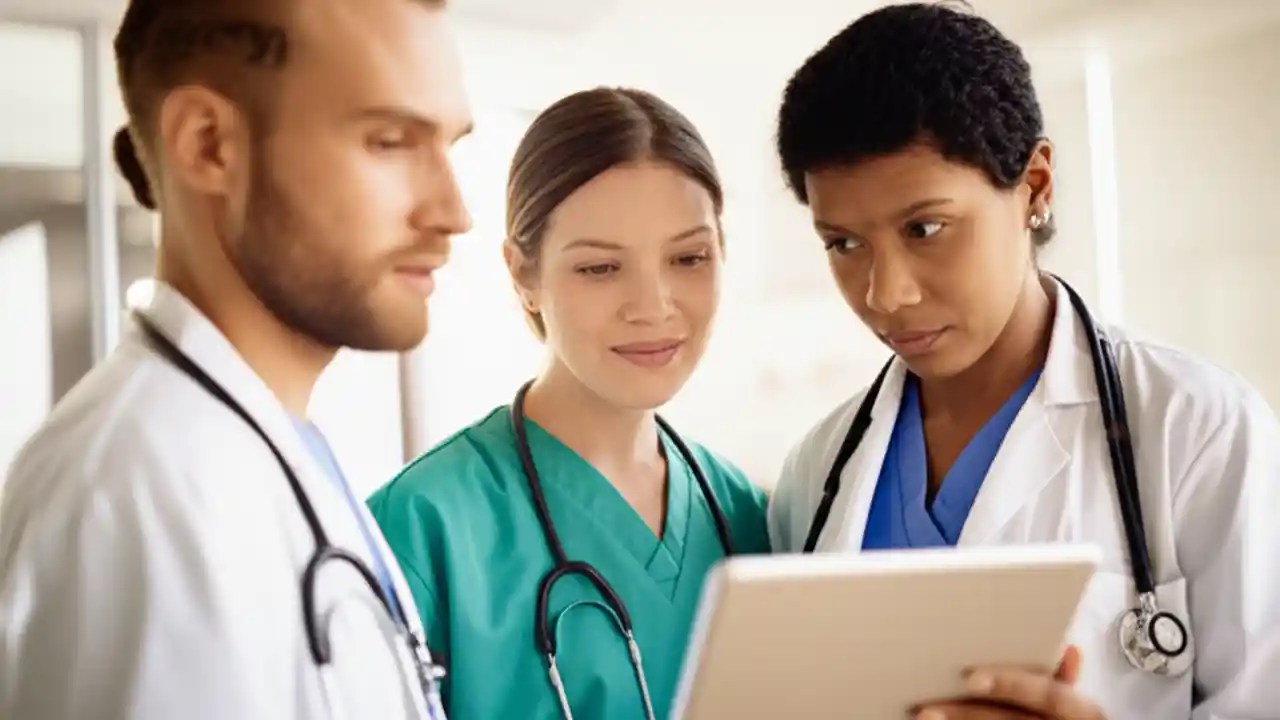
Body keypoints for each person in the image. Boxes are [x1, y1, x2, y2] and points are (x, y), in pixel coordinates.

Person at [767, 4, 1280, 720]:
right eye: (844, 244)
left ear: (1034, 186)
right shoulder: (816, 475)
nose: (887, 294)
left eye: (926, 228)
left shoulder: (1196, 428)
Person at [0, 1, 472, 718]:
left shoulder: (267, 444)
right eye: (391, 142)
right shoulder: (136, 495)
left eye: (450, 146)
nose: (451, 210)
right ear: (210, 145)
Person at [366, 87, 772, 720]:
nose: (654, 305)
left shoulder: (742, 513)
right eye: (600, 269)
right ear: (523, 275)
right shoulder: (420, 526)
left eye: (689, 257)